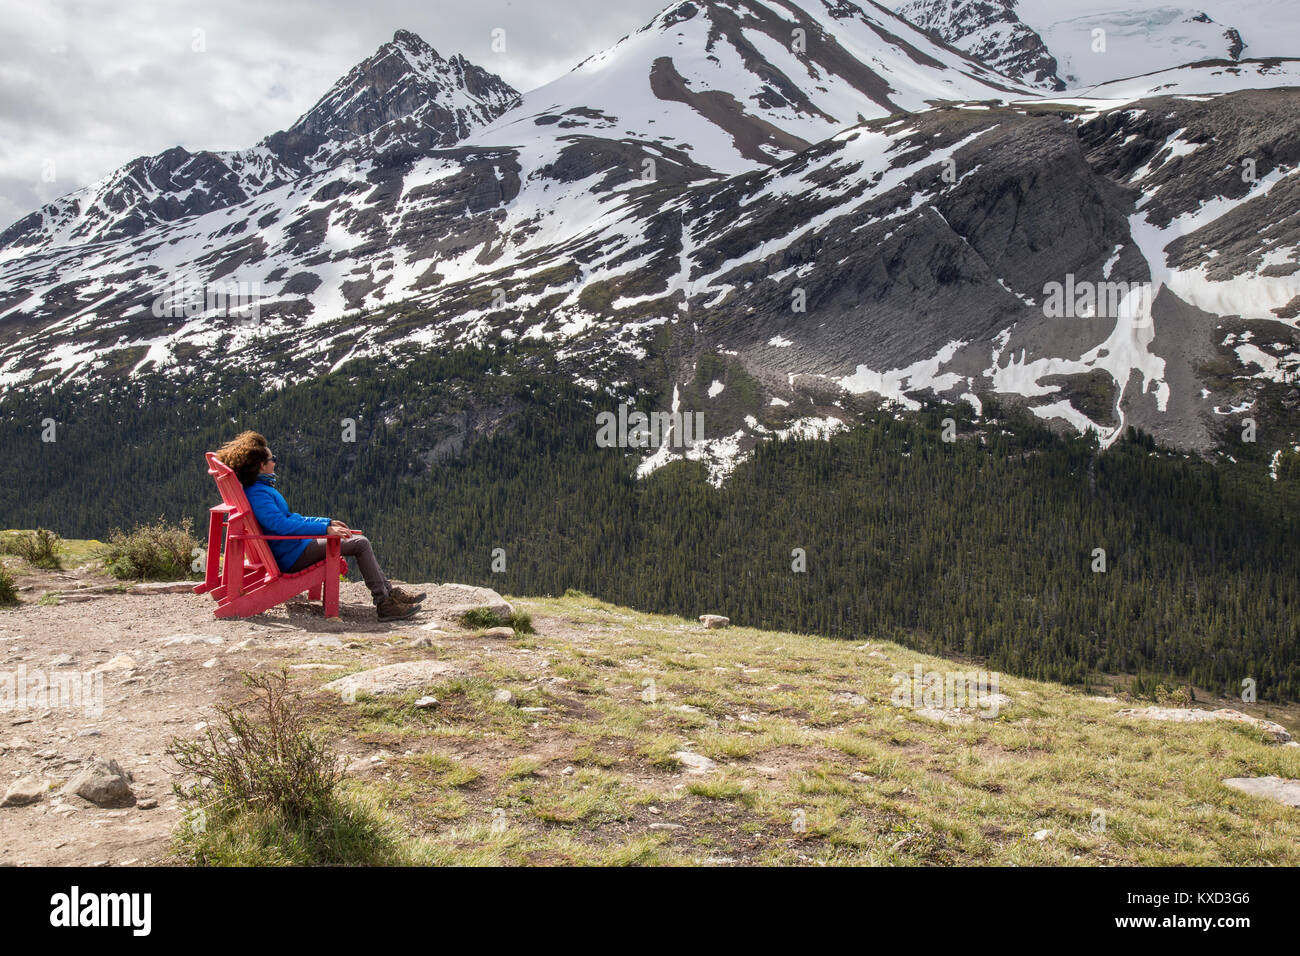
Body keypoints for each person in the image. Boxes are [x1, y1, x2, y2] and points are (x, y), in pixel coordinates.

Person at [214, 431, 425, 620]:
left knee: (355, 539)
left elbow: (289, 519)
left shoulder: (259, 489)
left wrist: (325, 522)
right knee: (360, 543)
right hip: (292, 554)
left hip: (292, 548)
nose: (275, 463)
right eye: (273, 459)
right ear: (262, 465)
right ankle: (384, 603)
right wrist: (324, 529)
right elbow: (281, 525)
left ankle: (389, 593)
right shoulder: (259, 493)